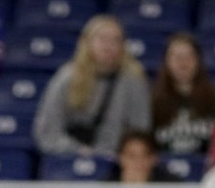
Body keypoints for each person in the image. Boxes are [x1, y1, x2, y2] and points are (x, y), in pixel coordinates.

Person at [34, 15, 151, 158]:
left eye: (116, 40)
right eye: (102, 39)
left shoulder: (134, 81)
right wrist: (77, 151)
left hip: (116, 163)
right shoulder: (66, 77)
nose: (108, 46)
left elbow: (141, 132)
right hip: (69, 158)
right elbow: (47, 131)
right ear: (87, 42)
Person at [149, 33, 215, 157]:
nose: (183, 63)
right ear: (166, 61)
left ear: (198, 60)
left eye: (188, 57)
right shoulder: (151, 99)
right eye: (177, 57)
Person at [98, 129, 187, 188]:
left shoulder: (170, 184)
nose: (138, 162)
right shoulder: (108, 185)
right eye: (131, 156)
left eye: (144, 156)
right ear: (121, 158)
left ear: (154, 159)